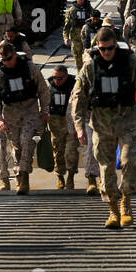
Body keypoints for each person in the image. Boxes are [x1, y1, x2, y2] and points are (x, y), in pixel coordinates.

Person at [73, 27, 136, 228]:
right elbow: (79, 95)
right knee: (106, 168)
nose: (106, 53)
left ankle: (126, 198)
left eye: (110, 48)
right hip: (101, 124)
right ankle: (113, 210)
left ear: (115, 46)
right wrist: (79, 126)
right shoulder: (90, 65)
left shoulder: (130, 61)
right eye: (102, 49)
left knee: (130, 162)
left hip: (127, 121)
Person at [0, 40, 49, 194]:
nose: (7, 62)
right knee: (16, 147)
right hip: (11, 112)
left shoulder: (30, 68)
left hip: (30, 109)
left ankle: (24, 176)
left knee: (27, 141)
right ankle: (19, 176)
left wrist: (45, 111)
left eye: (9, 58)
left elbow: (43, 89)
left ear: (15, 55)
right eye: (4, 60)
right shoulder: (0, 74)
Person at [46, 63, 81, 191]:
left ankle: (71, 176)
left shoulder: (74, 86)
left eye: (60, 78)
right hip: (55, 123)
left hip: (70, 123)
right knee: (58, 151)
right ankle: (60, 176)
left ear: (66, 76)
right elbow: (44, 104)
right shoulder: (50, 87)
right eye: (55, 78)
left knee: (71, 151)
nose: (57, 81)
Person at [63, 0, 95, 70]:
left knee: (88, 57)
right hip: (76, 38)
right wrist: (66, 38)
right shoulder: (72, 10)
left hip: (87, 37)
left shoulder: (89, 8)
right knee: (77, 57)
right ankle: (80, 74)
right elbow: (67, 26)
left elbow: (95, 21)